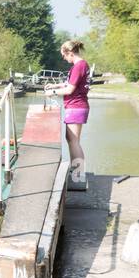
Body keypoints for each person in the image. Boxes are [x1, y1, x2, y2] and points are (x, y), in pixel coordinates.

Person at [44, 40, 90, 181]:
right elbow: (69, 83)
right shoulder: (81, 65)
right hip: (77, 106)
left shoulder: (78, 66)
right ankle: (76, 172)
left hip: (76, 106)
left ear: (70, 53)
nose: (64, 59)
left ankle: (78, 175)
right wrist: (56, 85)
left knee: (74, 141)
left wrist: (52, 92)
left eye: (64, 56)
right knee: (71, 139)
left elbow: (70, 89)